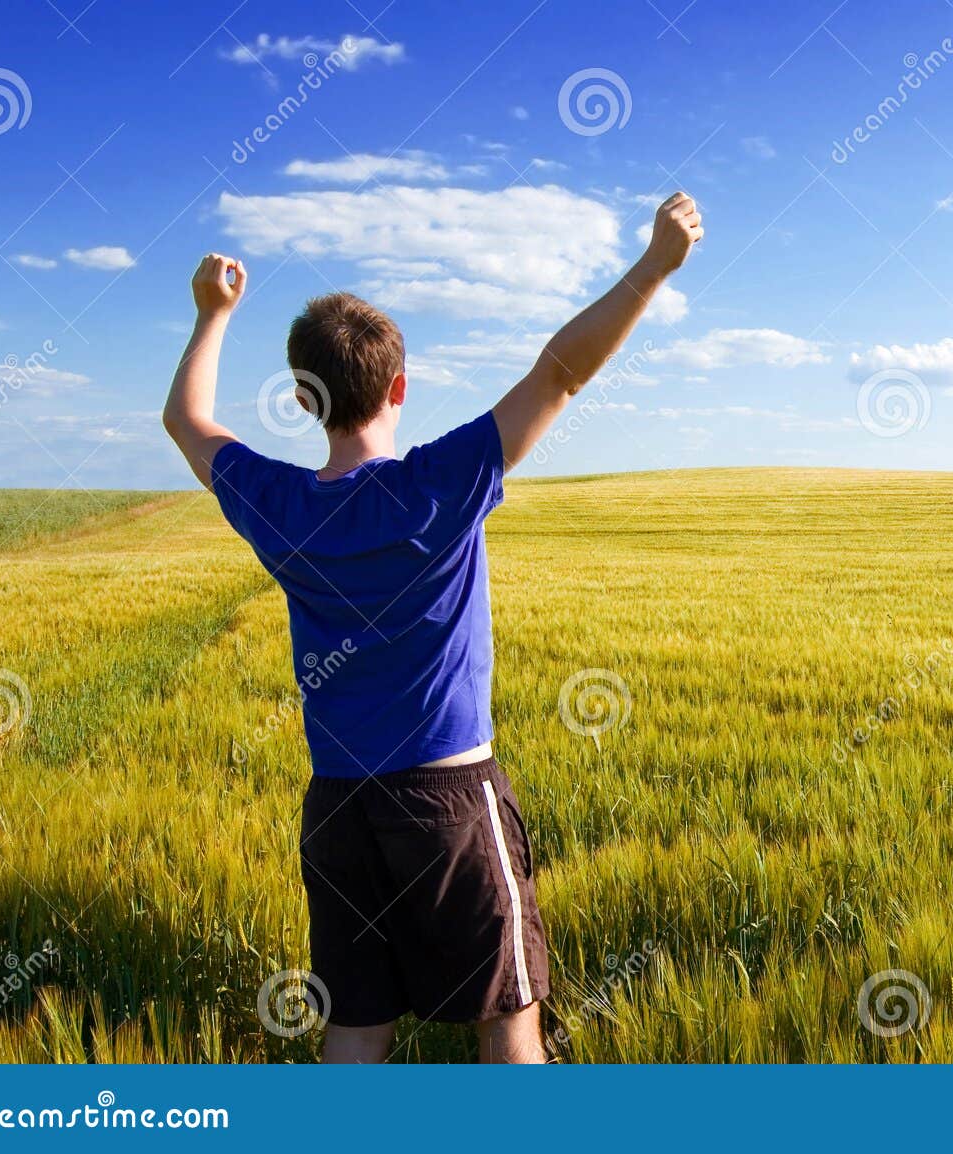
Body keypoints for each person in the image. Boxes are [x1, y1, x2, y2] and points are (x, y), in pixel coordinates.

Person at [162, 192, 703, 1062]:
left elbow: (187, 423)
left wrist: (212, 316)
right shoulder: (437, 484)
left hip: (337, 804)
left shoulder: (284, 506)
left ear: (303, 399)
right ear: (400, 387)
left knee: (357, 1024)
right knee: (508, 1017)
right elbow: (561, 370)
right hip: (449, 799)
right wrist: (653, 267)